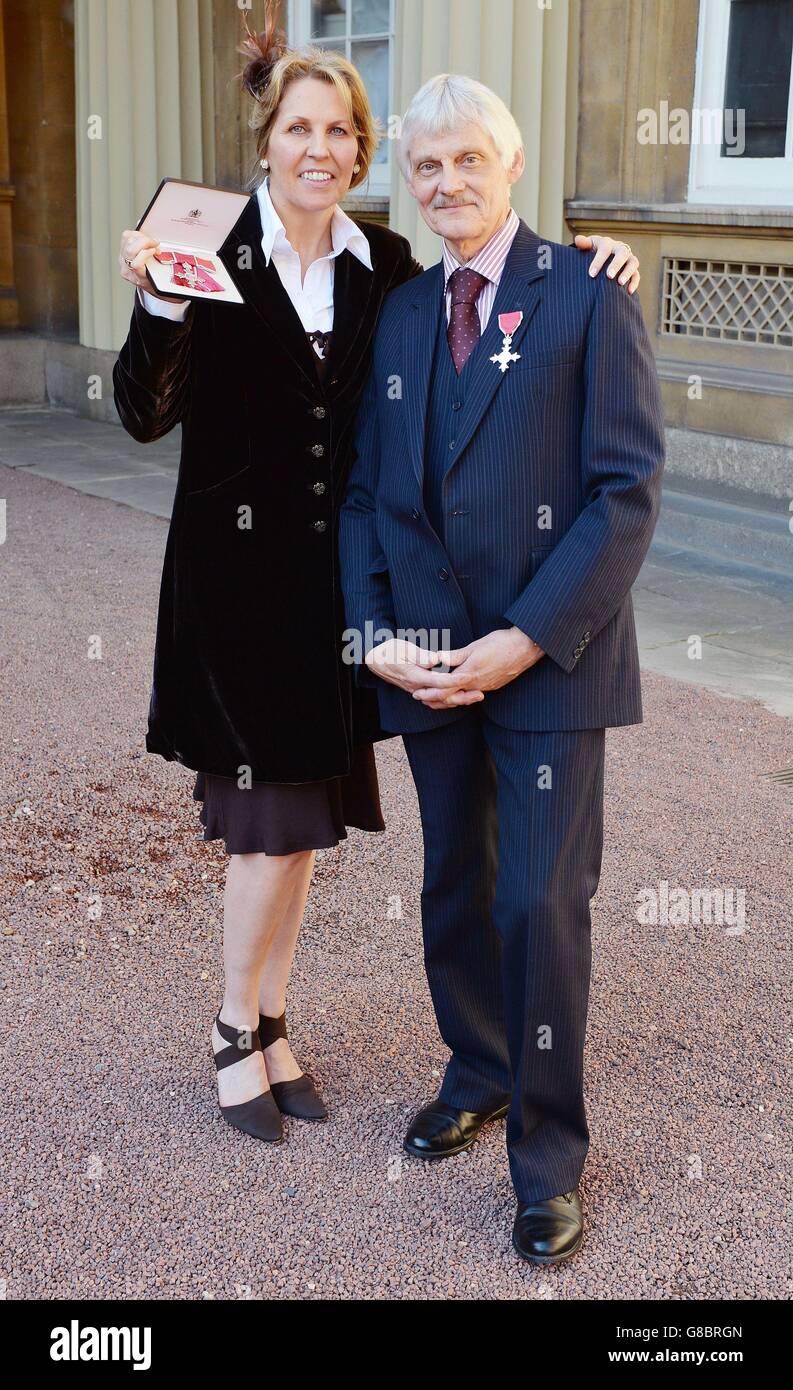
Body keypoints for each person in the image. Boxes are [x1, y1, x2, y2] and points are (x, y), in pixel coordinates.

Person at [113, 7, 640, 1148]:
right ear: (267, 142)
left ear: (359, 153)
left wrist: (597, 260)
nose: (319, 148)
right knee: (266, 826)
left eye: (339, 130)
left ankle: (275, 1022)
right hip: (238, 601)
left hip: (349, 609)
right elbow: (144, 412)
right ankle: (231, 1029)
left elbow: (499, 292)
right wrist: (155, 299)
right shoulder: (211, 257)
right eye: (298, 127)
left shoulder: (383, 268)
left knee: (310, 829)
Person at [339, 73, 665, 1263]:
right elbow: (370, 495)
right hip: (426, 663)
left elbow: (623, 491)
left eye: (467, 160)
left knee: (538, 904)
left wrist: (525, 636)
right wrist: (371, 636)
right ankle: (477, 1068)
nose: (446, 184)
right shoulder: (406, 315)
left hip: (546, 658)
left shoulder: (586, 292)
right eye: (425, 167)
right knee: (454, 890)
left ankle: (547, 1154)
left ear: (510, 164)